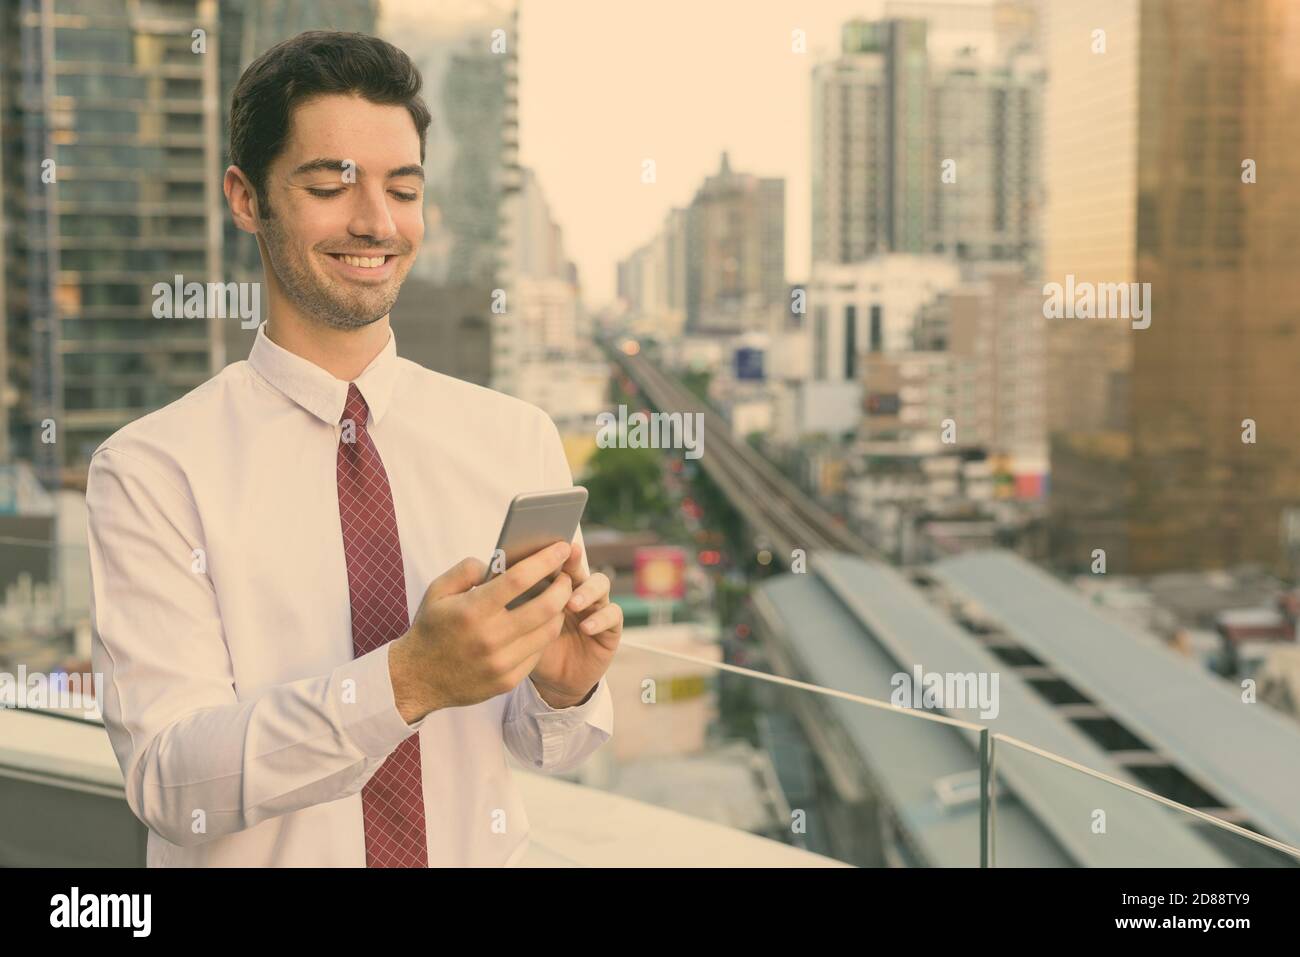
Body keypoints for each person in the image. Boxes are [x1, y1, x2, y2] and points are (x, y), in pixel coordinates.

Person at [86, 31, 621, 867]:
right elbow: (170, 781)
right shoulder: (153, 470)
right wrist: (407, 680)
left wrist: (563, 685)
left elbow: (544, 747)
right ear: (245, 197)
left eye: (401, 189)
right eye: (331, 183)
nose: (375, 221)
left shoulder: (514, 437)